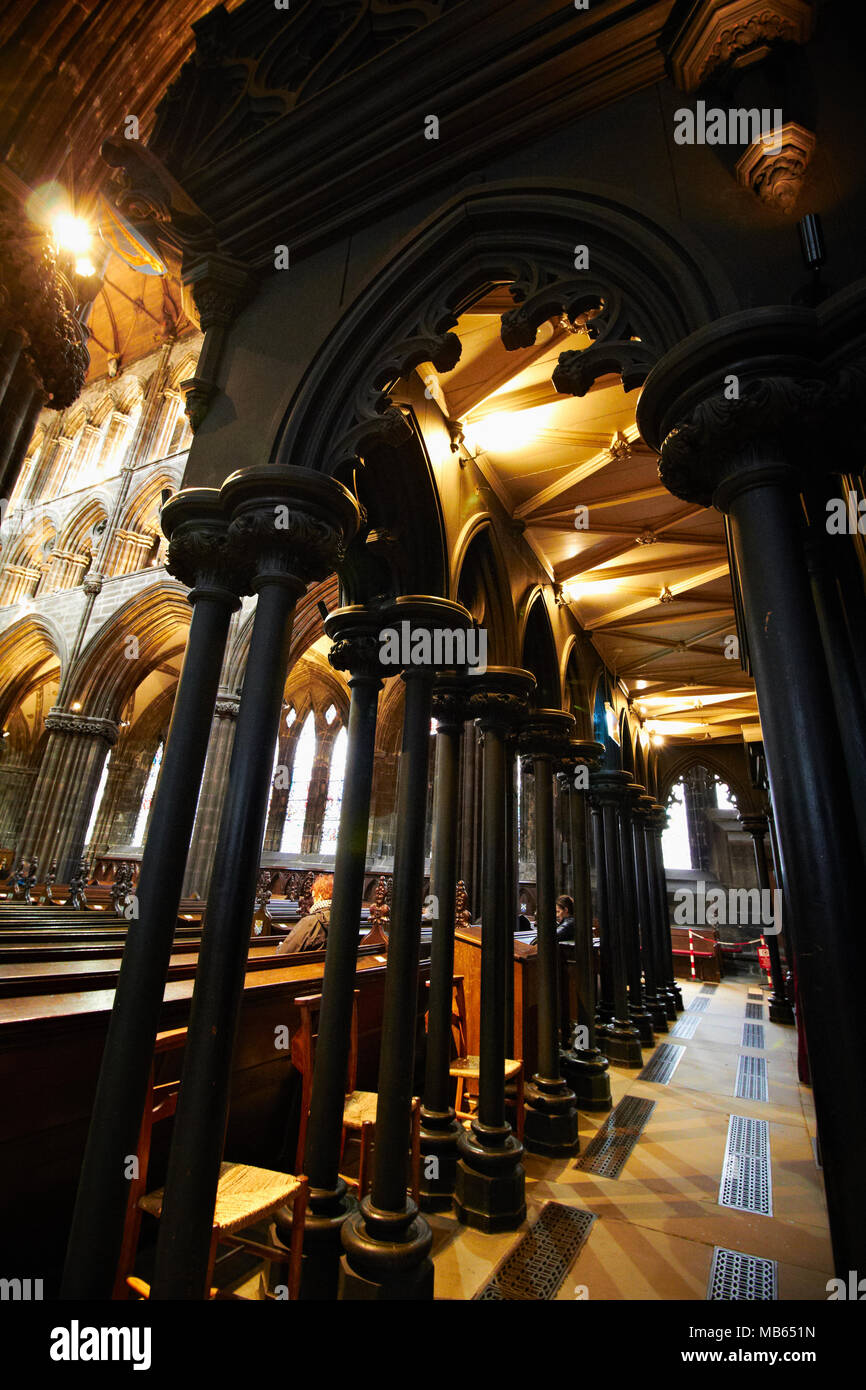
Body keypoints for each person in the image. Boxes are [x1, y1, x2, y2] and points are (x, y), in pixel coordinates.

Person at [275, 873, 333, 954]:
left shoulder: (310, 922)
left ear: (319, 896)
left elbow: (284, 953)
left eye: (314, 895)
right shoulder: (344, 920)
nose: (313, 899)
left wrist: (280, 947)